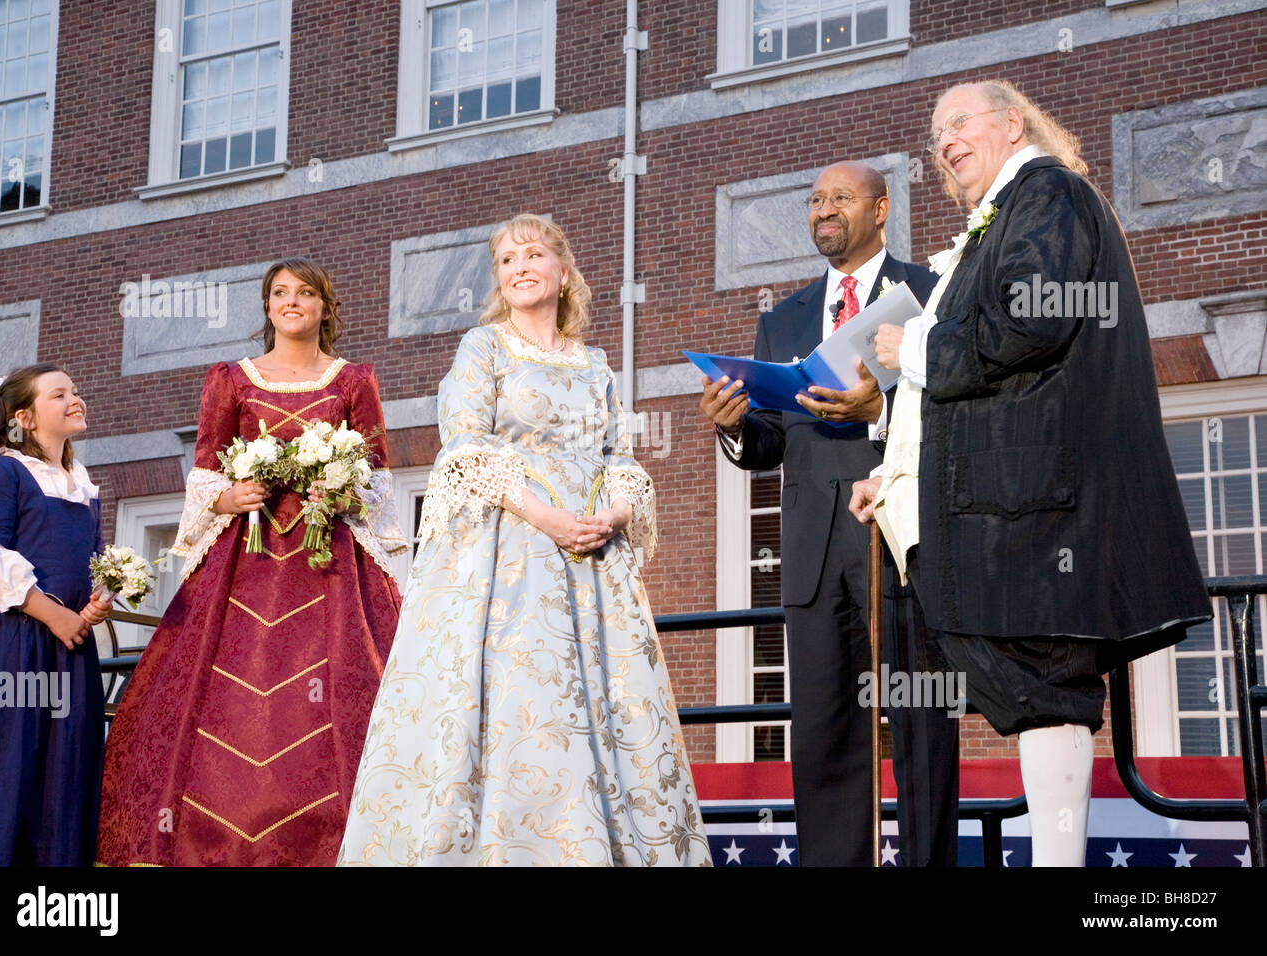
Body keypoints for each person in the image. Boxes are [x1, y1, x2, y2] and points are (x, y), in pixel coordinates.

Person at [853, 80, 1211, 865]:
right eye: (934, 132)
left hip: (1036, 511)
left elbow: (1030, 320)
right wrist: (898, 476)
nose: (943, 141)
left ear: (1011, 124)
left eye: (959, 123)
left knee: (1046, 690)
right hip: (1012, 507)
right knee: (1038, 695)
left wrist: (910, 346)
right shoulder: (1012, 213)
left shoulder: (1047, 193)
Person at [338, 215, 710, 866]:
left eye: (533, 254)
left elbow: (617, 453)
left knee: (607, 703)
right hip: (510, 556)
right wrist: (546, 518)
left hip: (595, 563)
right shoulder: (484, 349)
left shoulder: (595, 364)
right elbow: (466, 448)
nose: (519, 267)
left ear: (563, 272)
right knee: (519, 700)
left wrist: (619, 511)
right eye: (506, 260)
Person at [97, 258, 406, 866]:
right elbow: (205, 472)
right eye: (280, 294)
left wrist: (343, 492)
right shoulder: (229, 380)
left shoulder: (355, 381)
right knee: (223, 701)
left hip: (331, 563)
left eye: (305, 293)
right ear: (267, 308)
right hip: (246, 561)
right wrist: (229, 496)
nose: (292, 302)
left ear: (326, 306)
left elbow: (379, 477)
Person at [700, 161, 952, 866]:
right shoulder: (781, 319)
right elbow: (770, 441)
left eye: (840, 197)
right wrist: (734, 425)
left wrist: (882, 409)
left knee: (922, 729)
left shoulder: (928, 294)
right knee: (823, 734)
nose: (823, 210)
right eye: (813, 200)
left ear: (881, 208)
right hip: (810, 558)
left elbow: (960, 409)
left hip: (903, 542)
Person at [0, 365, 113, 865]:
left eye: (75, 390)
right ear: (25, 417)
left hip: (70, 646)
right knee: (8, 768)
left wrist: (97, 599)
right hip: (13, 645)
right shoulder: (2, 470)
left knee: (67, 770)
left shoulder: (82, 480)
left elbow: (91, 559)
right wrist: (53, 615)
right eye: (60, 394)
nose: (76, 399)